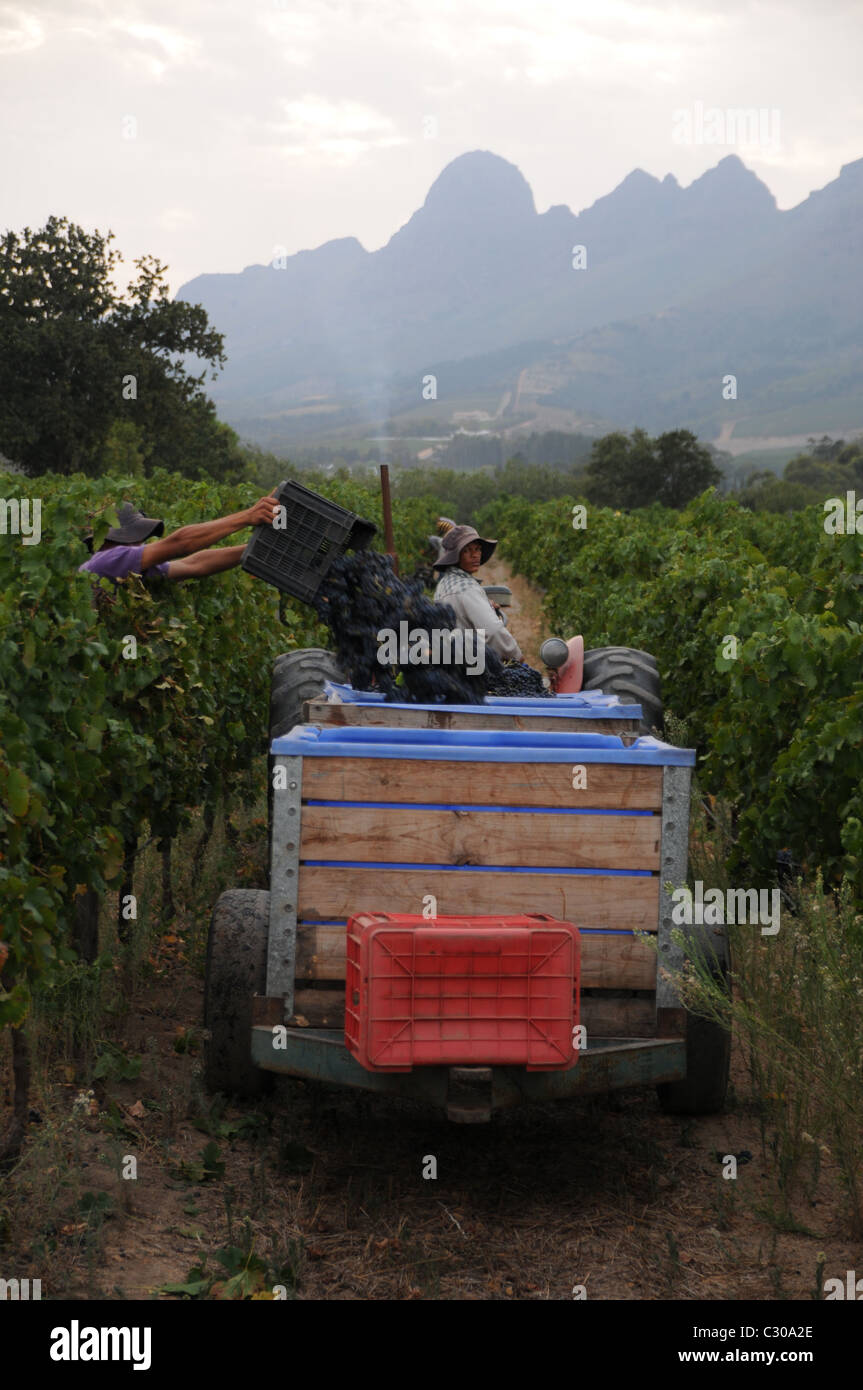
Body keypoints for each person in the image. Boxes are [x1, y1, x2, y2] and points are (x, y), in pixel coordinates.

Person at [79, 495, 280, 583]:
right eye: (138, 538)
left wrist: (258, 548)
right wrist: (246, 517)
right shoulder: (106, 562)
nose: (142, 544)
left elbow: (195, 564)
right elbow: (180, 544)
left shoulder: (129, 571)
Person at [432, 522, 523, 662]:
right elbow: (493, 632)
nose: (475, 555)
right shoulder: (467, 588)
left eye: (478, 549)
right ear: (456, 556)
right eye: (467, 550)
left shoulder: (444, 584)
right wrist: (517, 657)